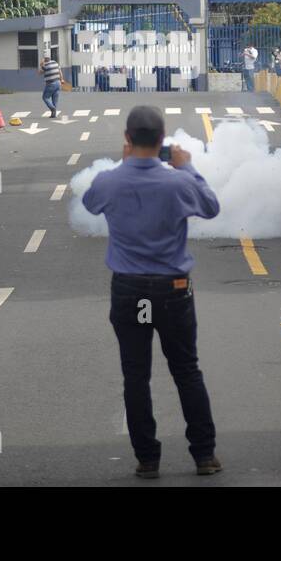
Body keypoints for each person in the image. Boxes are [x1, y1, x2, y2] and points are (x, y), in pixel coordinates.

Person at [82, 106, 222, 478]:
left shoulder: (110, 181)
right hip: (172, 291)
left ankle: (148, 459)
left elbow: (90, 203)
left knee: (136, 376)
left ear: (128, 139)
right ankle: (204, 456)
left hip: (129, 291)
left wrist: (122, 165)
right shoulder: (178, 182)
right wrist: (186, 166)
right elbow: (211, 208)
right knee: (187, 372)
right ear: (163, 142)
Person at [39, 50, 64, 117]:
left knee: (45, 97)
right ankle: (54, 114)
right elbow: (60, 72)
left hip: (51, 84)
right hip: (58, 83)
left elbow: (39, 72)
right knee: (55, 99)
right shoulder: (55, 63)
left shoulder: (46, 65)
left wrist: (41, 64)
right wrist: (62, 79)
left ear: (44, 59)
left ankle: (52, 108)